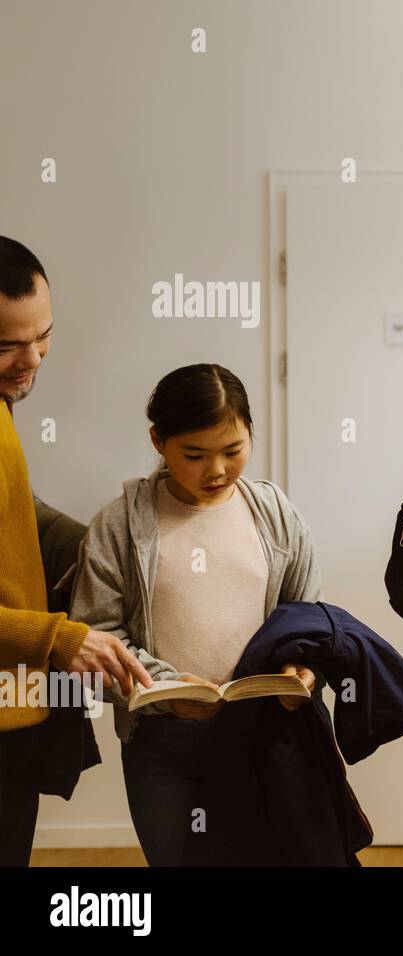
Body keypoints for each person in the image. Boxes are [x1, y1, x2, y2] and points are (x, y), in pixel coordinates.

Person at [68, 363, 322, 865]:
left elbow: (308, 617)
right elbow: (95, 638)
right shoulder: (118, 525)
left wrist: (304, 670)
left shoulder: (274, 512)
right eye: (194, 454)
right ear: (158, 441)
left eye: (233, 450)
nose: (217, 471)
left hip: (262, 732)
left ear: (251, 431)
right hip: (163, 745)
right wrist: (167, 692)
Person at [0, 236, 152, 867]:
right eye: (6, 344)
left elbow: (18, 516)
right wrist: (63, 640)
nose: (31, 359)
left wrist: (110, 544)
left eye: (44, 335)